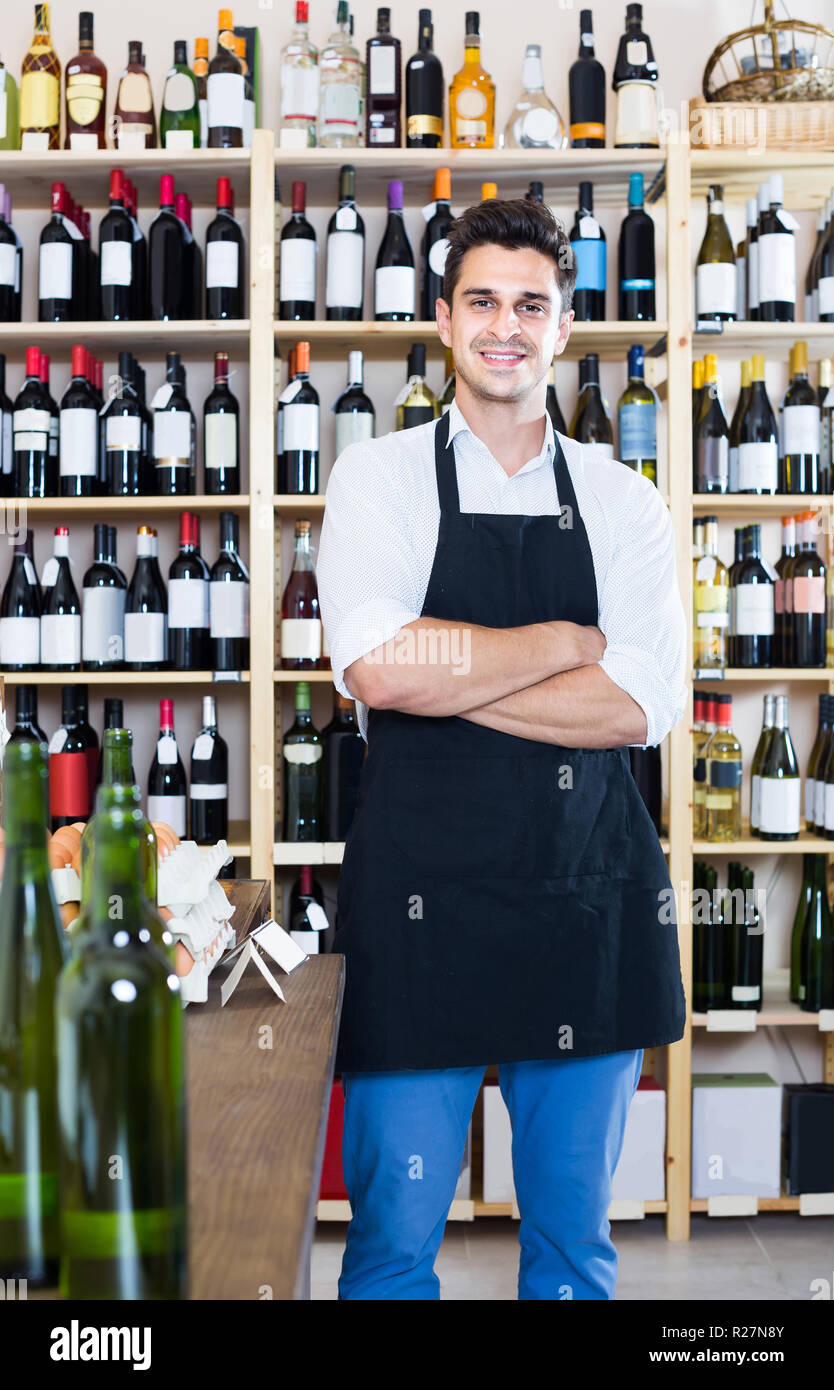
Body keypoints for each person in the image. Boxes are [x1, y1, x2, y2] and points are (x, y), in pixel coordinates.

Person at [316, 197, 687, 1301]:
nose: (506, 326)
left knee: (573, 1255)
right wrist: (566, 645)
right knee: (389, 1254)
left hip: (586, 905)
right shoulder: (376, 480)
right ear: (443, 319)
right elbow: (377, 670)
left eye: (532, 304)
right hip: (418, 910)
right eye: (483, 300)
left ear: (566, 327)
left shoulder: (626, 503)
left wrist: (453, 676)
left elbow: (638, 705)